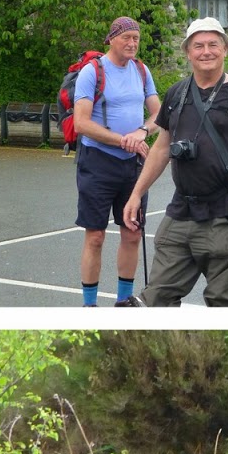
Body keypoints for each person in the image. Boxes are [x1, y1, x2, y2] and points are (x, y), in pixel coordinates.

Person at [122, 18, 228, 306]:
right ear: (187, 52)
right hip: (181, 212)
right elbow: (160, 149)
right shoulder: (176, 93)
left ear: (225, 50)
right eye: (198, 46)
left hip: (227, 214)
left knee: (222, 303)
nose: (206, 51)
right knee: (155, 299)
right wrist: (136, 194)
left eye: (213, 45)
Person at [72, 17, 160, 306]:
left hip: (132, 165)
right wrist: (123, 140)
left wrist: (142, 132)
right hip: (97, 161)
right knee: (96, 235)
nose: (132, 43)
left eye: (136, 38)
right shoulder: (92, 72)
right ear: (111, 39)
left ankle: (123, 301)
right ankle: (89, 305)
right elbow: (82, 123)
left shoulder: (141, 70)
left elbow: (159, 114)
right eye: (126, 38)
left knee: (132, 233)